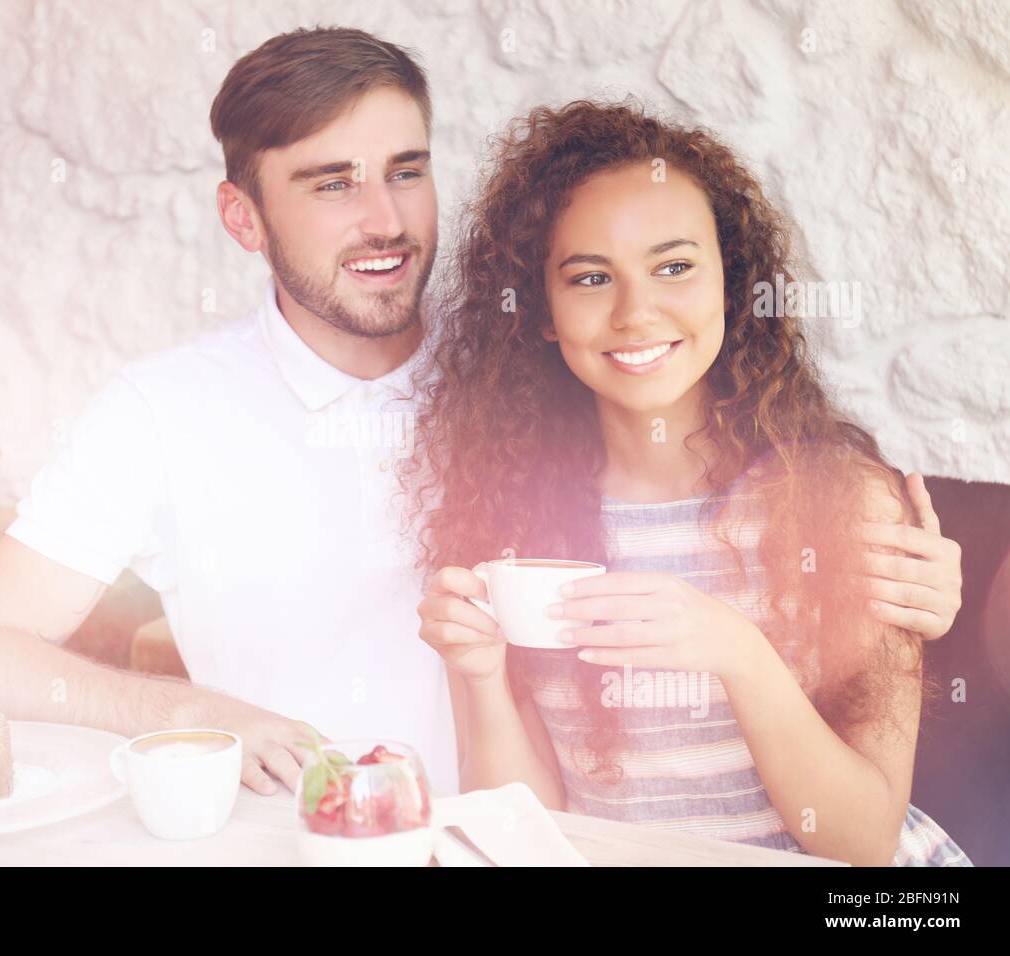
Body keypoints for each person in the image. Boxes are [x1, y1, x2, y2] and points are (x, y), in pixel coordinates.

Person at [0, 27, 964, 805]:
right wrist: (196, 712)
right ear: (243, 216)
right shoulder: (160, 410)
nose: (383, 222)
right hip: (316, 841)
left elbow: (734, 467)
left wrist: (900, 575)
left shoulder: (546, 367)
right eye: (331, 184)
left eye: (405, 172)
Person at [406, 99, 969, 864]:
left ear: (731, 286)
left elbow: (863, 841)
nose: (637, 313)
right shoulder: (513, 517)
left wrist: (735, 650)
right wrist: (477, 676)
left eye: (674, 267)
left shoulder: (847, 505)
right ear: (542, 311)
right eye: (591, 277)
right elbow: (530, 830)